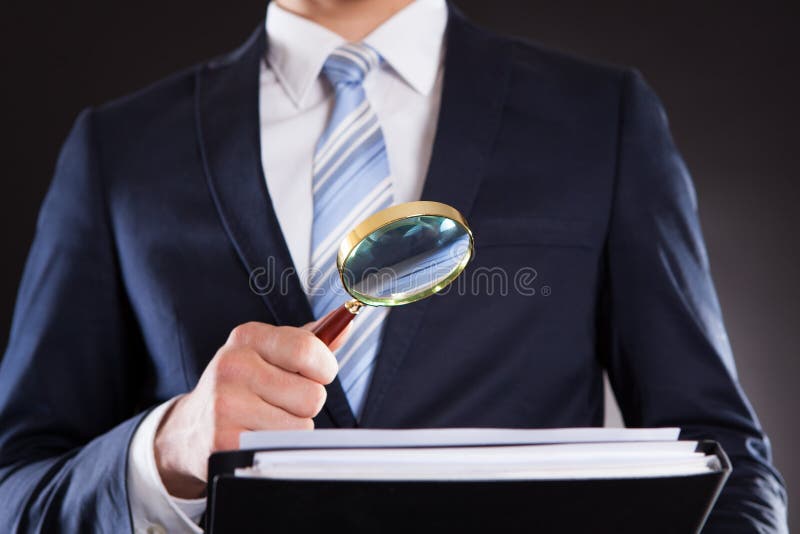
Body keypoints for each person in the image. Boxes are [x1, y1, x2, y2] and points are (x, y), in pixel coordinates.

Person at [0, 0, 788, 532]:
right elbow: (15, 488)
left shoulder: (602, 118)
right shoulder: (119, 148)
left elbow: (726, 458)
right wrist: (167, 450)